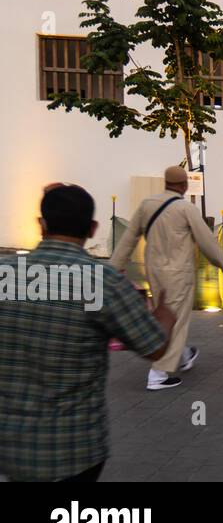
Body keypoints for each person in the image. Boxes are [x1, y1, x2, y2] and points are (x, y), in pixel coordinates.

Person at [0, 184, 177, 482]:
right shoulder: (100, 281)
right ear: (93, 228)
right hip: (72, 449)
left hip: (10, 448)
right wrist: (165, 315)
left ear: (41, 224)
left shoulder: (5, 272)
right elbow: (155, 347)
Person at [110, 164, 223, 390]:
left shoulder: (147, 204)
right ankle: (158, 374)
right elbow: (206, 240)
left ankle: (183, 356)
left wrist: (115, 266)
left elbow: (129, 238)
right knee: (175, 320)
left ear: (165, 183)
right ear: (184, 185)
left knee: (165, 315)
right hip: (179, 273)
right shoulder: (186, 208)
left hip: (153, 271)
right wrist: (222, 264)